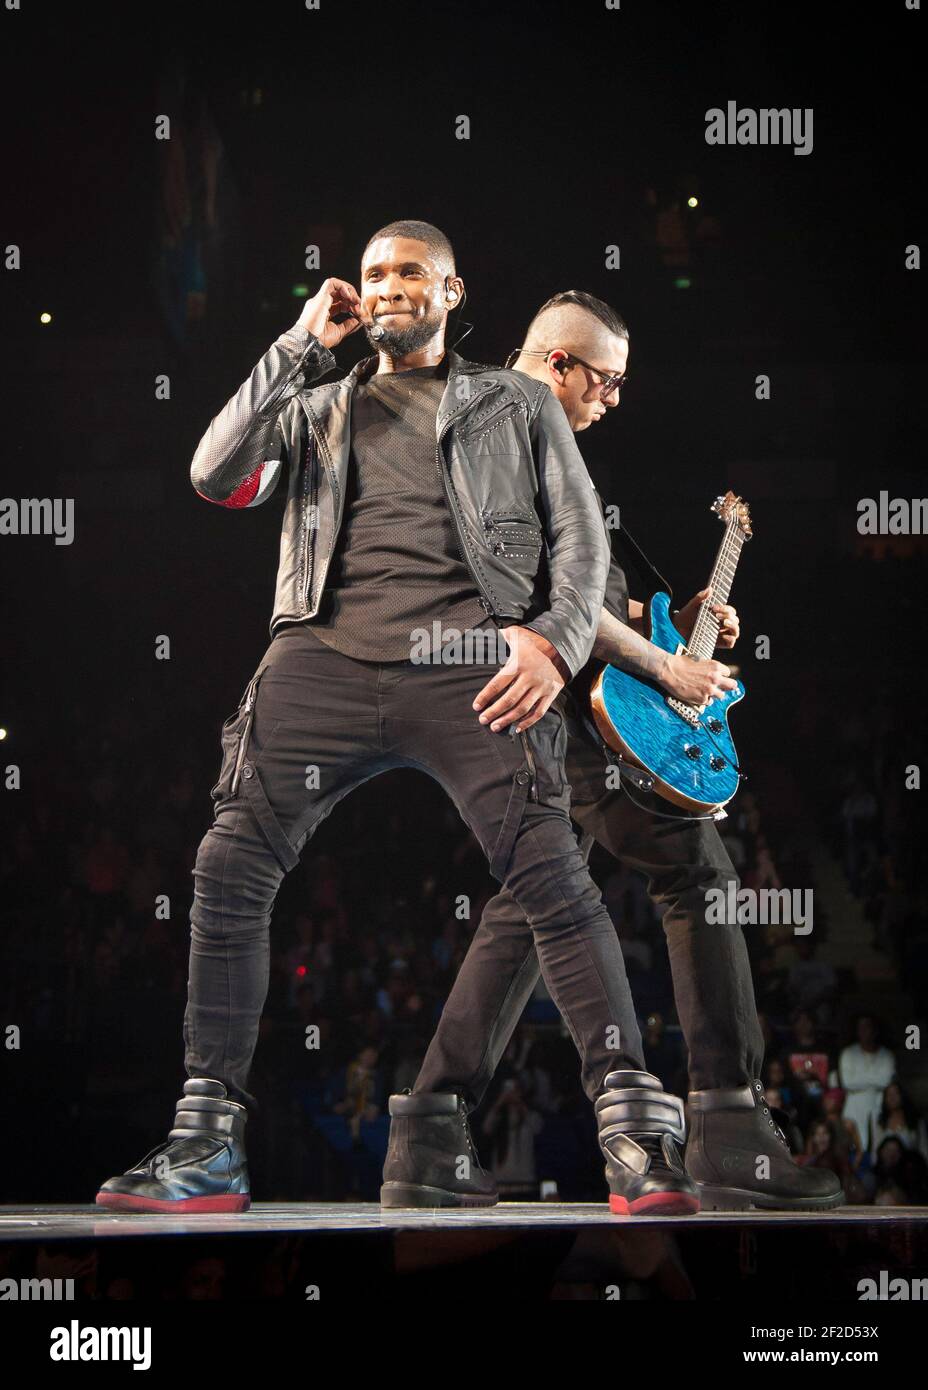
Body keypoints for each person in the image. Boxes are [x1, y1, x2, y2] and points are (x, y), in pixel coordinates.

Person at [96, 222, 694, 1216]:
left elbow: (583, 536)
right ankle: (206, 1143)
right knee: (228, 862)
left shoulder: (512, 402)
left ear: (450, 289)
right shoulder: (317, 404)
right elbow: (213, 474)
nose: (389, 287)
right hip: (320, 657)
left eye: (410, 272)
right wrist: (297, 344)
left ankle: (635, 1131)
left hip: (471, 657)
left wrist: (546, 640)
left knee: (549, 869)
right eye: (373, 274)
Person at [383, 290, 842, 1213]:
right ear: (556, 363)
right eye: (608, 378)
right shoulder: (499, 426)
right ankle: (727, 1127)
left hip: (542, 706)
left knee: (527, 912)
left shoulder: (516, 431)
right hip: (549, 704)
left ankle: (429, 1132)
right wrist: (666, 672)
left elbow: (576, 583)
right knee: (695, 866)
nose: (616, 398)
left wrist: (660, 622)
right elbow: (543, 599)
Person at [836, 1014, 895, 1153]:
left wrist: (861, 1078)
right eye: (861, 1027)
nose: (864, 1031)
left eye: (868, 1027)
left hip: (878, 1102)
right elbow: (848, 1082)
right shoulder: (848, 1053)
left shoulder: (887, 1055)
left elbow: (886, 1080)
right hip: (854, 1104)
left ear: (875, 1030)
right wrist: (875, 1078)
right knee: (856, 1147)